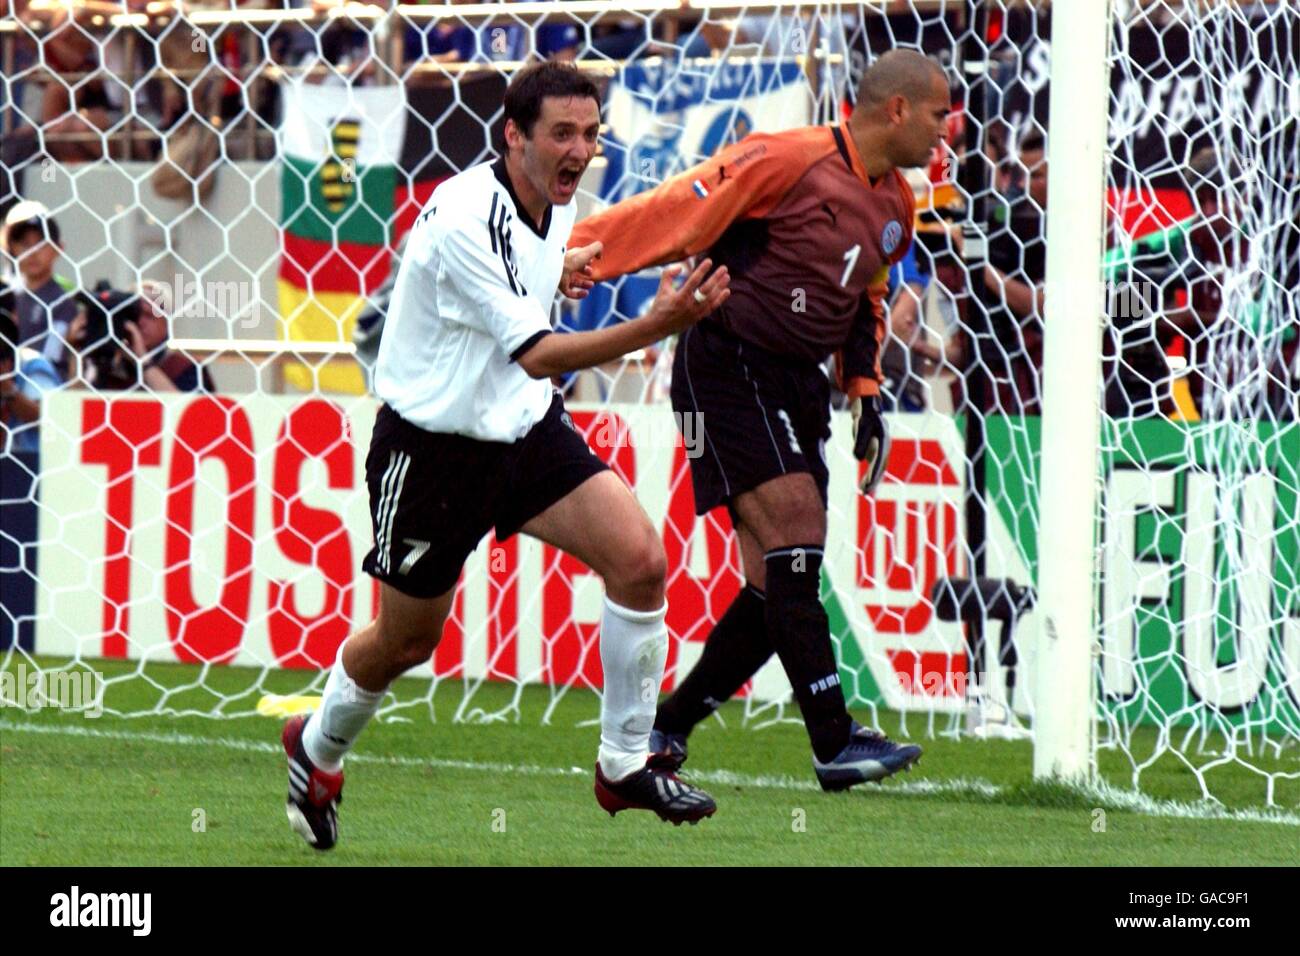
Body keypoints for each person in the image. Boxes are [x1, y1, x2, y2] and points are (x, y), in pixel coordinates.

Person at [282, 62, 730, 850]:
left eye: (590, 134)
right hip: (430, 453)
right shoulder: (460, 215)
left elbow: (523, 307)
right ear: (513, 135)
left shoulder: (550, 200)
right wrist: (660, 324)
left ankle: (624, 763)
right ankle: (315, 749)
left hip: (522, 431)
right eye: (562, 133)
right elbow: (537, 352)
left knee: (639, 561)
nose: (580, 150)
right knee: (406, 642)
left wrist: (558, 270)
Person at [569, 49, 949, 790]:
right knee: (797, 534)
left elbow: (864, 301)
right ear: (897, 109)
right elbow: (675, 212)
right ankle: (834, 741)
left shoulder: (897, 206)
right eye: (938, 114)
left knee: (778, 582)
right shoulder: (785, 159)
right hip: (724, 365)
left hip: (798, 384)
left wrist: (865, 393)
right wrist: (569, 253)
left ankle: (667, 728)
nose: (945, 132)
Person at [4, 201, 79, 378]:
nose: (32, 252)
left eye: (41, 243)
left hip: (41, 387)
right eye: (24, 243)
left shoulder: (63, 303)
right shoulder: (7, 295)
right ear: (11, 249)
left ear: (58, 248)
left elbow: (50, 359)